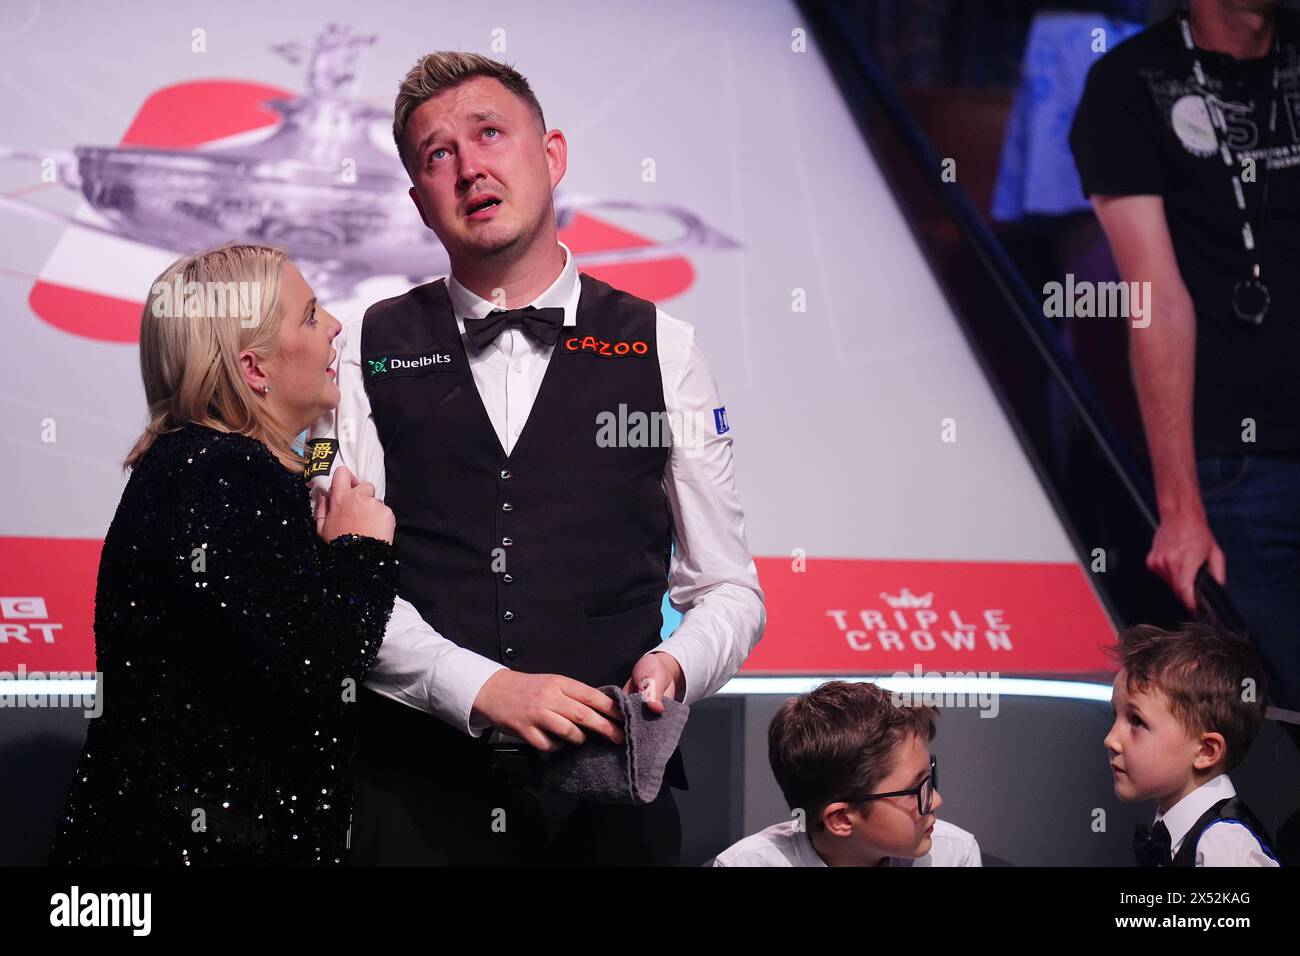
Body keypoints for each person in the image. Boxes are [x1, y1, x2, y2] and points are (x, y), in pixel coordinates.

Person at [307, 52, 765, 865]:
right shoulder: (367, 348)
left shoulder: (665, 347)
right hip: (413, 798)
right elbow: (346, 587)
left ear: (552, 156)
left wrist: (675, 663)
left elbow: (727, 586)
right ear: (420, 200)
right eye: (438, 155)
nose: (470, 167)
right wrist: (481, 688)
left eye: (490, 134)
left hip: (609, 801)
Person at [47, 243, 398, 866]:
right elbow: (321, 665)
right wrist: (363, 547)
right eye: (312, 316)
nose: (337, 328)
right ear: (253, 367)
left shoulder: (197, 466)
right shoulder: (224, 476)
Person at [1069, 0, 1300, 710]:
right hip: (1238, 466)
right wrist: (1180, 507)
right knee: (1279, 715)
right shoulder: (1130, 83)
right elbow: (1156, 305)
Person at [713, 680, 981, 867]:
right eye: (916, 790)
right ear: (840, 819)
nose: (935, 800)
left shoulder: (954, 854)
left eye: (929, 778)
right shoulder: (747, 863)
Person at [1106, 621, 1280, 866]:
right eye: (1116, 716)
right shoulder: (1174, 832)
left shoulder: (1224, 845)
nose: (1110, 740)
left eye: (1137, 722)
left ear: (1206, 751)